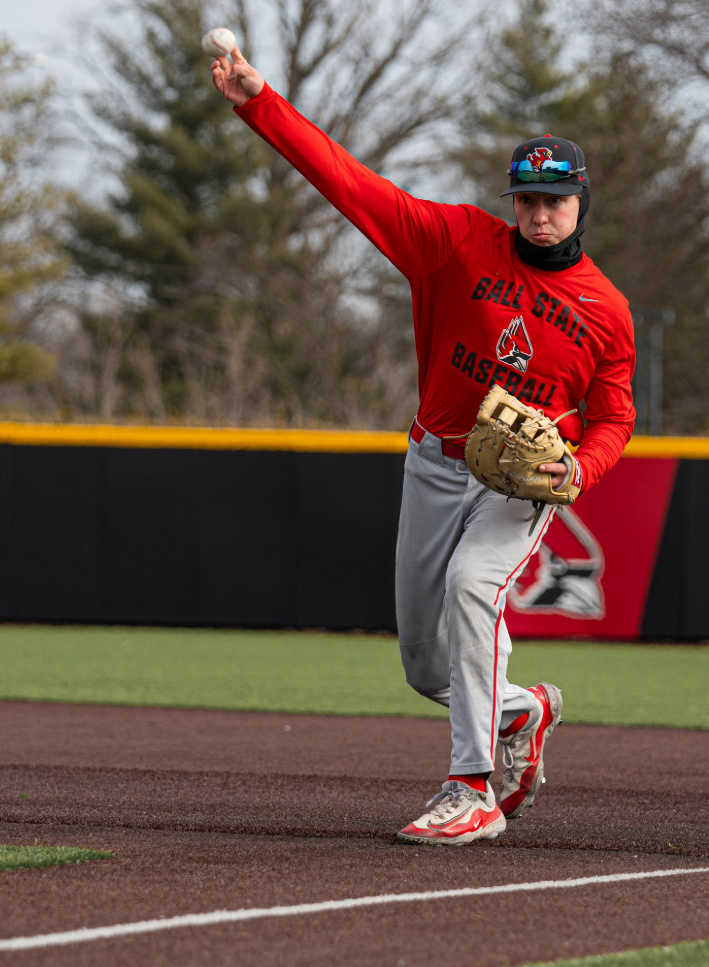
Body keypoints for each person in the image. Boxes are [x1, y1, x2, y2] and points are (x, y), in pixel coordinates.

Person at [211, 44, 636, 845]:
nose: (539, 215)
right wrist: (257, 102)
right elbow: (349, 183)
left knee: (476, 587)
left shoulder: (607, 310)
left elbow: (615, 416)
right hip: (436, 463)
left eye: (555, 200)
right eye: (528, 200)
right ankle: (525, 709)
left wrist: (581, 466)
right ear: (512, 201)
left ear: (582, 201)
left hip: (521, 484)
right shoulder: (453, 243)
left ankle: (469, 787)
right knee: (423, 666)